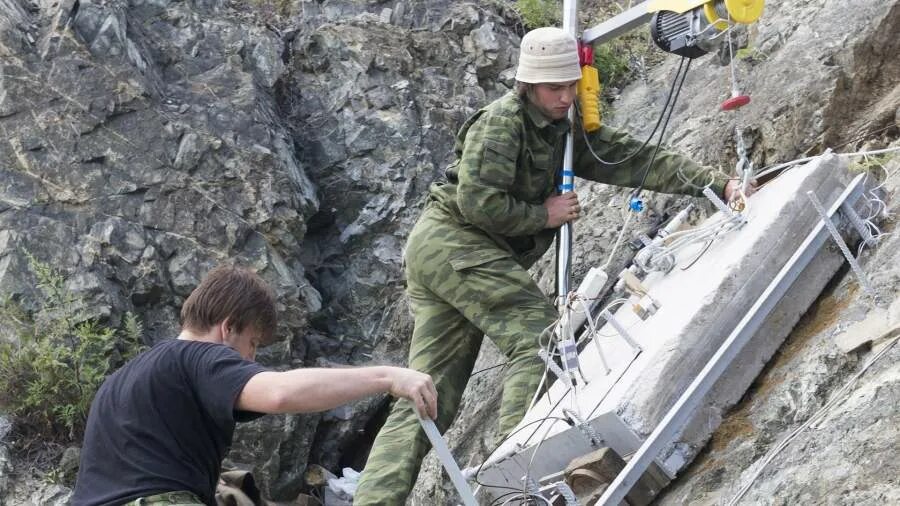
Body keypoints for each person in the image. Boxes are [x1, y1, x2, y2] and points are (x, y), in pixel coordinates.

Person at [353, 27, 749, 504]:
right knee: (539, 340)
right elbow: (477, 202)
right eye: (553, 88)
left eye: (570, 85)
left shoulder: (563, 128)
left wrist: (717, 184)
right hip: (454, 242)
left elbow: (628, 158)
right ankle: (522, 483)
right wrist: (544, 215)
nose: (564, 96)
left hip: (450, 252)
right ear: (528, 85)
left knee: (427, 393)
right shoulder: (503, 123)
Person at [71, 264, 437, 506]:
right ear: (228, 327)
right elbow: (280, 393)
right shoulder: (201, 357)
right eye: (253, 344)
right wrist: (389, 376)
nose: (249, 359)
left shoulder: (120, 381)